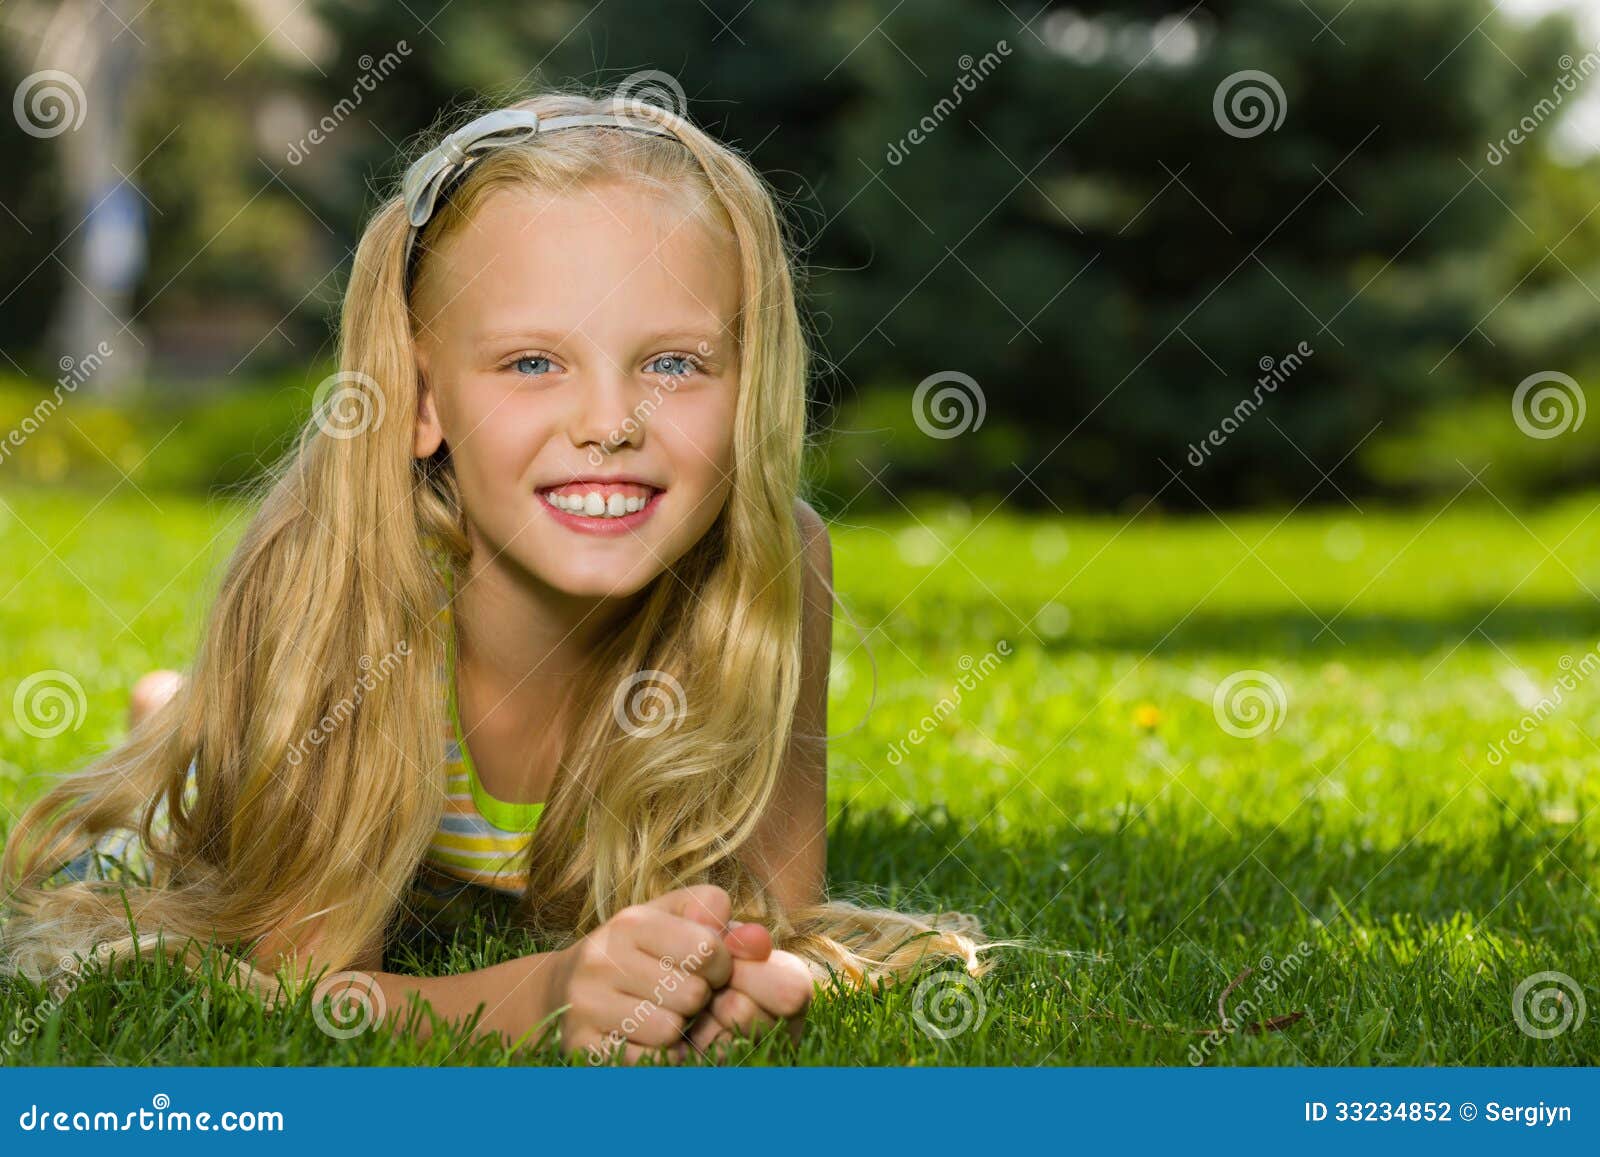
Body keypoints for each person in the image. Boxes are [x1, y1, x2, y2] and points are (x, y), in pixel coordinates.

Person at [0, 88, 992, 1063]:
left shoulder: (773, 559)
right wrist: (551, 993)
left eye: (675, 364)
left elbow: (773, 914)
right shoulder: (333, 567)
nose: (610, 423)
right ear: (422, 397)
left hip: (468, 840)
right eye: (531, 363)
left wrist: (734, 980)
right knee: (181, 793)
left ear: (749, 382)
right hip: (323, 771)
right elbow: (308, 986)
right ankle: (178, 716)